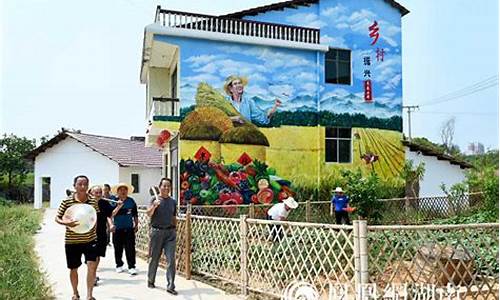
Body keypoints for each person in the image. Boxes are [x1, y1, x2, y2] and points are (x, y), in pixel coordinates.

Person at [55, 175, 98, 300]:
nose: (83, 187)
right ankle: (75, 293)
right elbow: (57, 218)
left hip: (90, 239)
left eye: (85, 184)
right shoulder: (67, 202)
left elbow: (94, 218)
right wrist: (66, 223)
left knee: (91, 266)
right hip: (72, 241)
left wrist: (95, 232)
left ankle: (89, 295)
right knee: (73, 268)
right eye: (80, 184)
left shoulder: (93, 201)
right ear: (74, 186)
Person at [146, 178, 178, 295]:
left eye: (168, 186)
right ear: (160, 187)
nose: (166, 188)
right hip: (157, 232)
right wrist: (154, 206)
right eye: (164, 186)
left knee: (171, 260)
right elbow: (148, 213)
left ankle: (171, 286)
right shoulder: (154, 199)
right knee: (154, 258)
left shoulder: (173, 202)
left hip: (170, 233)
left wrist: (175, 229)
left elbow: (174, 217)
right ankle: (151, 280)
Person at [89, 185, 114, 286]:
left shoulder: (104, 203)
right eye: (96, 192)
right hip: (89, 233)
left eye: (100, 192)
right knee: (91, 257)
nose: (99, 194)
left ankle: (93, 275)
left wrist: (119, 206)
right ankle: (92, 276)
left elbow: (110, 215)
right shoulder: (87, 203)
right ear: (91, 193)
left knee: (98, 256)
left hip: (101, 232)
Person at [111, 183, 138, 275]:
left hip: (129, 228)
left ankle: (132, 266)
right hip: (117, 229)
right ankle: (119, 265)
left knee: (130, 248)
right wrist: (119, 206)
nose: (123, 191)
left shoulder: (131, 201)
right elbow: (111, 214)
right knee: (118, 248)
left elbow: (135, 214)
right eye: (121, 190)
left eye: (125, 190)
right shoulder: (113, 201)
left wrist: (136, 224)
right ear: (117, 192)